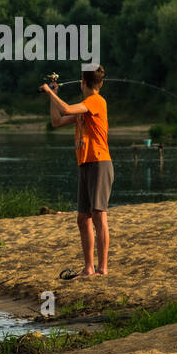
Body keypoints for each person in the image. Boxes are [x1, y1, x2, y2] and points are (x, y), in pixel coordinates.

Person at [42, 67, 111, 279]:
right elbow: (57, 121)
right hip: (85, 163)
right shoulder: (84, 108)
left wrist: (50, 92)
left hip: (99, 162)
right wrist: (53, 97)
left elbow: (67, 110)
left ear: (84, 82)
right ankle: (88, 268)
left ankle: (102, 268)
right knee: (83, 218)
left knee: (99, 215)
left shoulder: (96, 101)